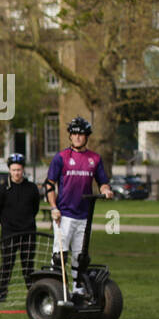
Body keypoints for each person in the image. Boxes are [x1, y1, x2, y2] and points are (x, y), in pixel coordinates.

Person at [45, 116, 113, 295]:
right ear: (70, 136)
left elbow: (103, 182)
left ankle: (77, 289)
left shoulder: (94, 159)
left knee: (80, 257)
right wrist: (53, 207)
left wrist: (106, 190)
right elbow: (49, 184)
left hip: (84, 216)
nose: (77, 137)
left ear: (86, 136)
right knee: (59, 255)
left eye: (81, 134)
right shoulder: (61, 157)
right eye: (74, 134)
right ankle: (58, 291)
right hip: (64, 214)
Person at [0, 153, 40, 303]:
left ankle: (33, 295)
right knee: (7, 264)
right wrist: (7, 224)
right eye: (13, 170)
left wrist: (26, 222)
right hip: (9, 232)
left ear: (23, 170)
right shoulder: (2, 189)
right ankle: (2, 295)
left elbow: (35, 208)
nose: (16, 173)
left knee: (28, 266)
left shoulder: (31, 188)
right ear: (9, 170)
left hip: (28, 232)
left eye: (19, 170)